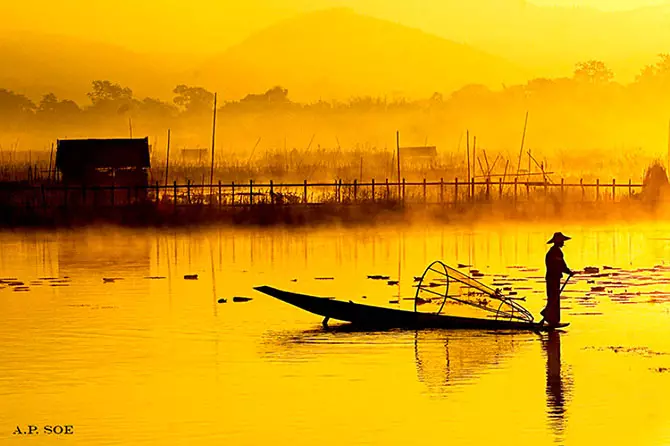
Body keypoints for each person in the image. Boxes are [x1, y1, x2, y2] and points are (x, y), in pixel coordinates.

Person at [541, 232, 573, 327]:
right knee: (554, 298)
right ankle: (549, 316)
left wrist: (567, 271)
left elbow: (560, 265)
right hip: (553, 278)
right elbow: (561, 265)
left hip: (553, 277)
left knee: (553, 298)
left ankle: (551, 318)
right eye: (562, 241)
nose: (563, 243)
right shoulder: (555, 252)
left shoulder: (554, 251)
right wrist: (568, 272)